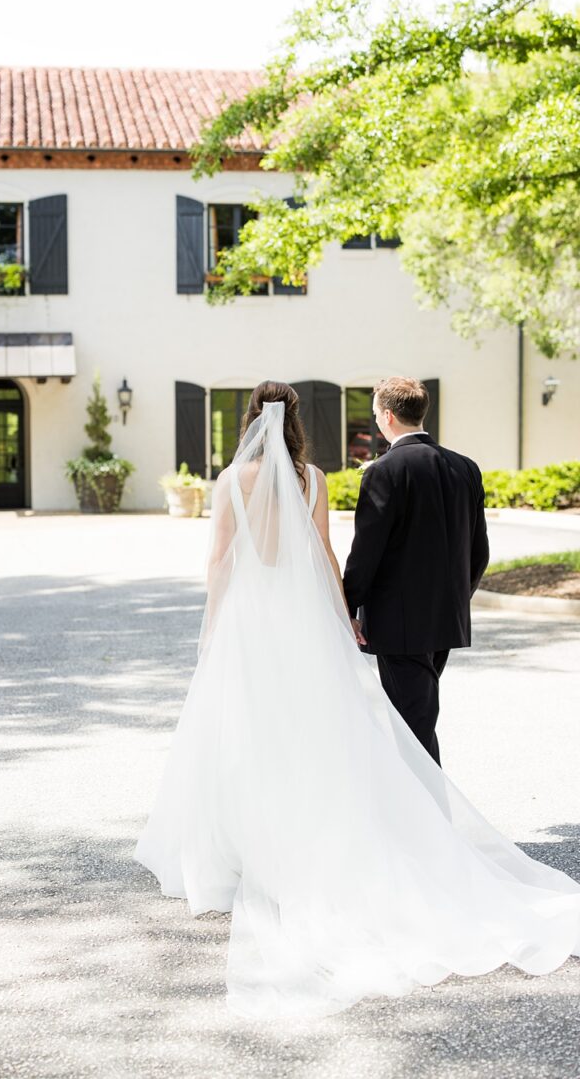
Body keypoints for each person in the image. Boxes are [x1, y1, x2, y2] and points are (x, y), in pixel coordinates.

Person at [135, 380, 580, 1019]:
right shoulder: (313, 477)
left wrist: (212, 627)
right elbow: (323, 554)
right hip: (302, 622)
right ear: (296, 420)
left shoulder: (232, 480)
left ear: (249, 421)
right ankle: (342, 833)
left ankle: (242, 852)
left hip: (247, 624)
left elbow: (219, 561)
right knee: (315, 731)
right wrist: (340, 617)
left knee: (243, 732)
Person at [344, 377, 489, 764]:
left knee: (412, 724)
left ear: (387, 416)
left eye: (376, 415)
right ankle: (420, 814)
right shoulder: (466, 468)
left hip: (397, 621)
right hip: (446, 617)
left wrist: (347, 606)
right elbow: (479, 552)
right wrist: (455, 598)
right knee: (417, 716)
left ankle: (430, 817)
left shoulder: (384, 471)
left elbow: (366, 550)